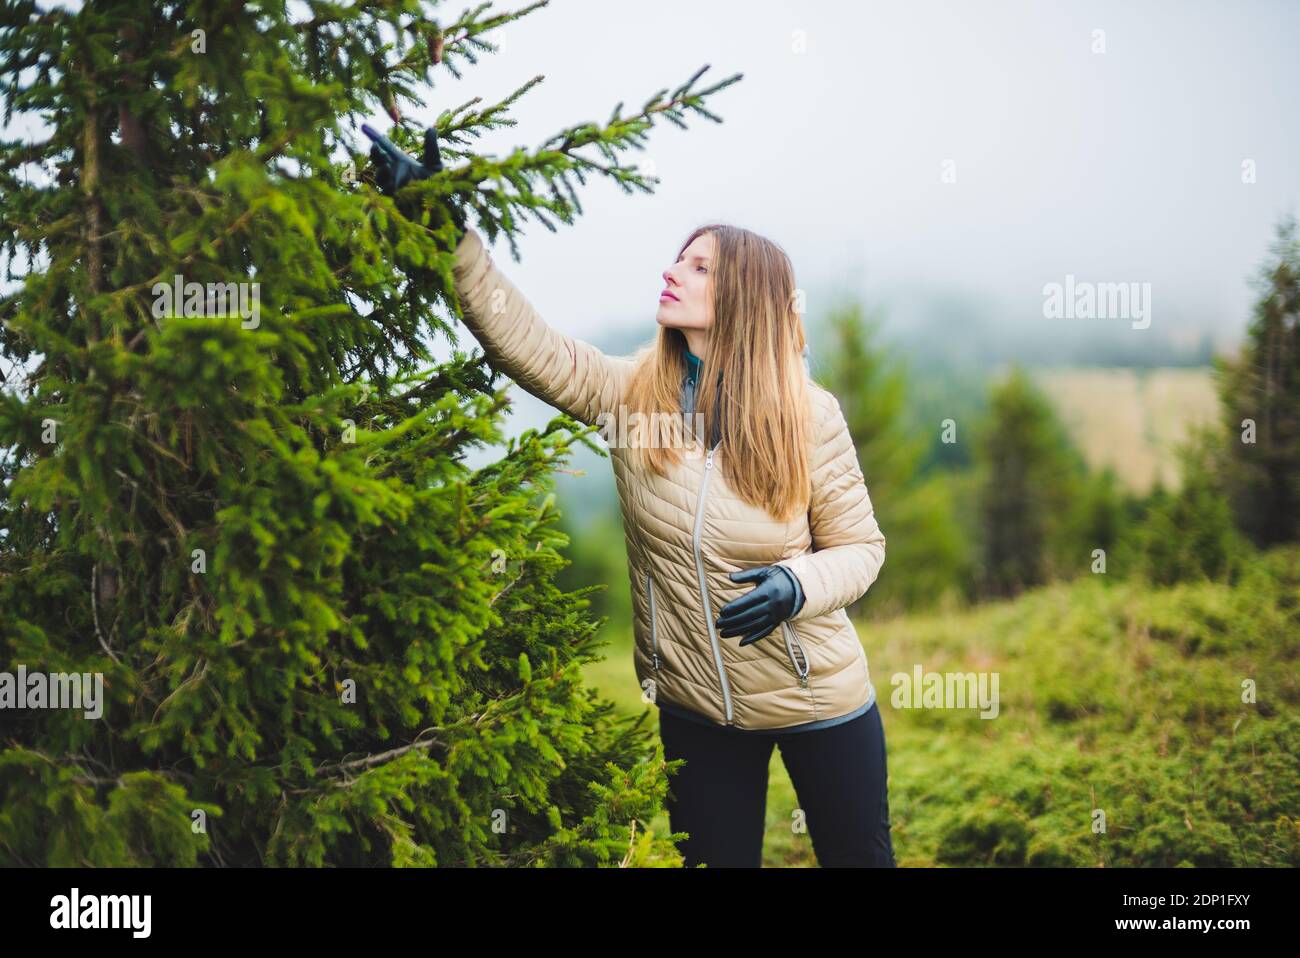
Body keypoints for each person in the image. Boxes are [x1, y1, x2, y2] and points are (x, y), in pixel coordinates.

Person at [363, 124, 895, 868]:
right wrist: (453, 237)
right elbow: (530, 345)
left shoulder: (808, 415)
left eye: (701, 266)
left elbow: (863, 550)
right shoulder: (630, 393)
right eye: (679, 257)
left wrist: (795, 583)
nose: (675, 270)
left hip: (820, 701)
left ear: (745, 294)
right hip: (696, 709)